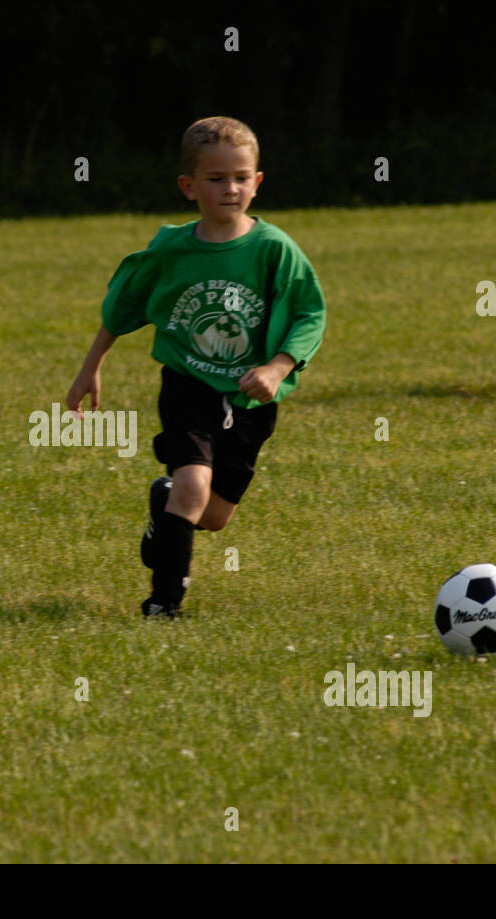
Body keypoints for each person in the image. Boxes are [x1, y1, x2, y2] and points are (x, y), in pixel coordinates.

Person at [66, 116, 325, 617]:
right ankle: (164, 604)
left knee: (215, 515)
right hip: (188, 386)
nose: (230, 188)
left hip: (251, 400)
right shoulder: (172, 250)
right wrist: (90, 366)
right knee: (193, 485)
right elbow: (124, 306)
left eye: (241, 177)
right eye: (216, 178)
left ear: (258, 182)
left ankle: (166, 519)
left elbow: (309, 313)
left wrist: (276, 367)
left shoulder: (274, 250)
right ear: (188, 186)